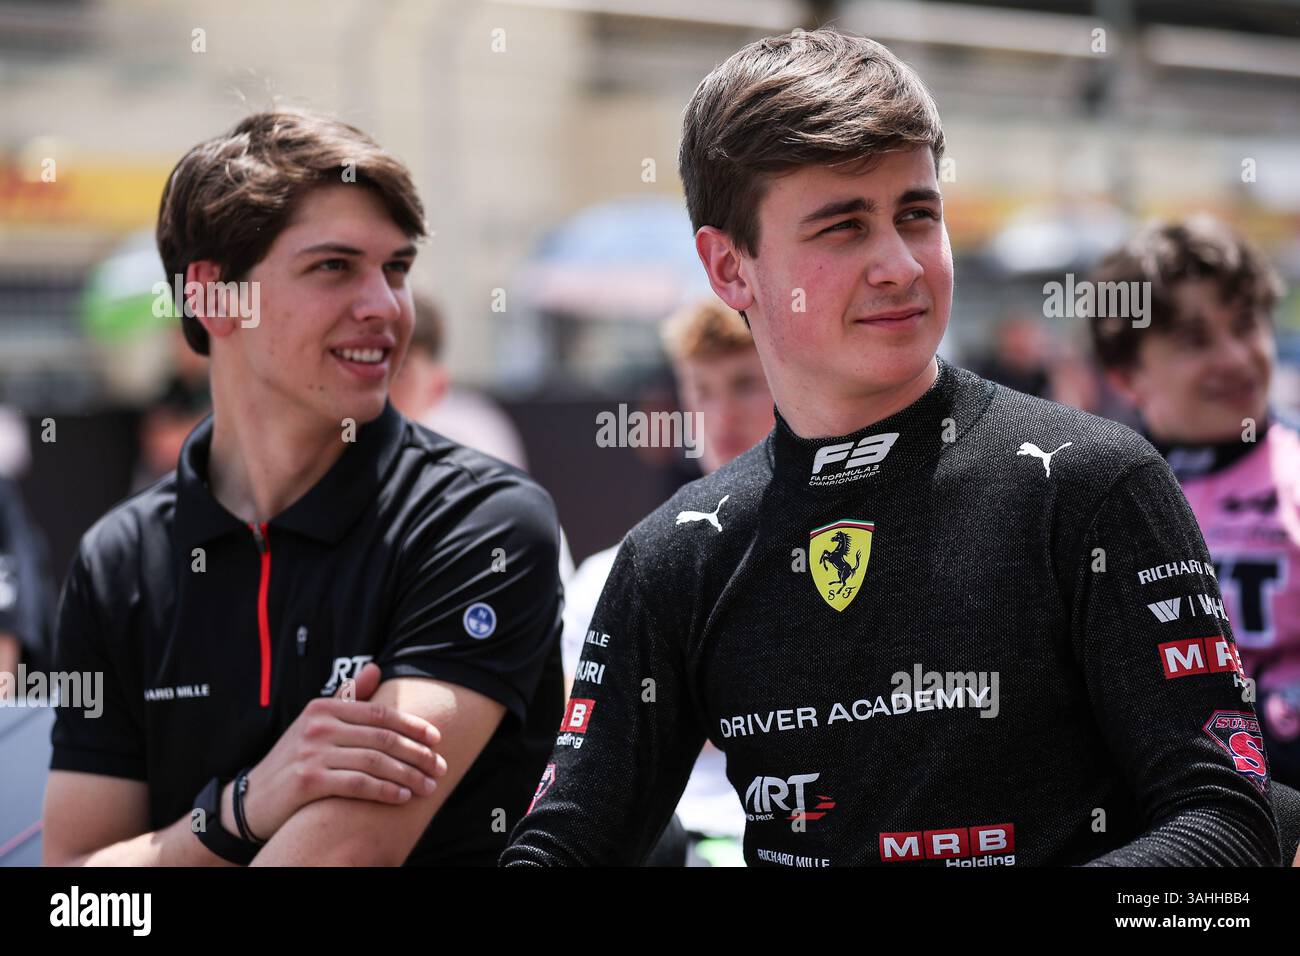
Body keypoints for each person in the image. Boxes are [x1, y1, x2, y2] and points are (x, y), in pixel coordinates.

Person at [502, 28, 1280, 867]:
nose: (901, 265)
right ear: (730, 269)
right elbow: (564, 844)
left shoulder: (1093, 485)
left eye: (917, 214)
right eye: (844, 227)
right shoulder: (678, 556)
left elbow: (1230, 825)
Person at [42, 110, 565, 866]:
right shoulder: (117, 559)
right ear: (215, 297)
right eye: (334, 267)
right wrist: (244, 808)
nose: (386, 309)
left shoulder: (482, 523)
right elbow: (75, 900)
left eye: (397, 268)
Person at [1087, 215, 1300, 789]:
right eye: (1195, 339)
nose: (1234, 357)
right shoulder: (1089, 496)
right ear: (1128, 375)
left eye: (1246, 324)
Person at [561, 297, 773, 864]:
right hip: (666, 842)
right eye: (701, 392)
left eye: (746, 384)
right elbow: (592, 745)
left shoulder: (839, 552)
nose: (722, 416)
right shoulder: (609, 574)